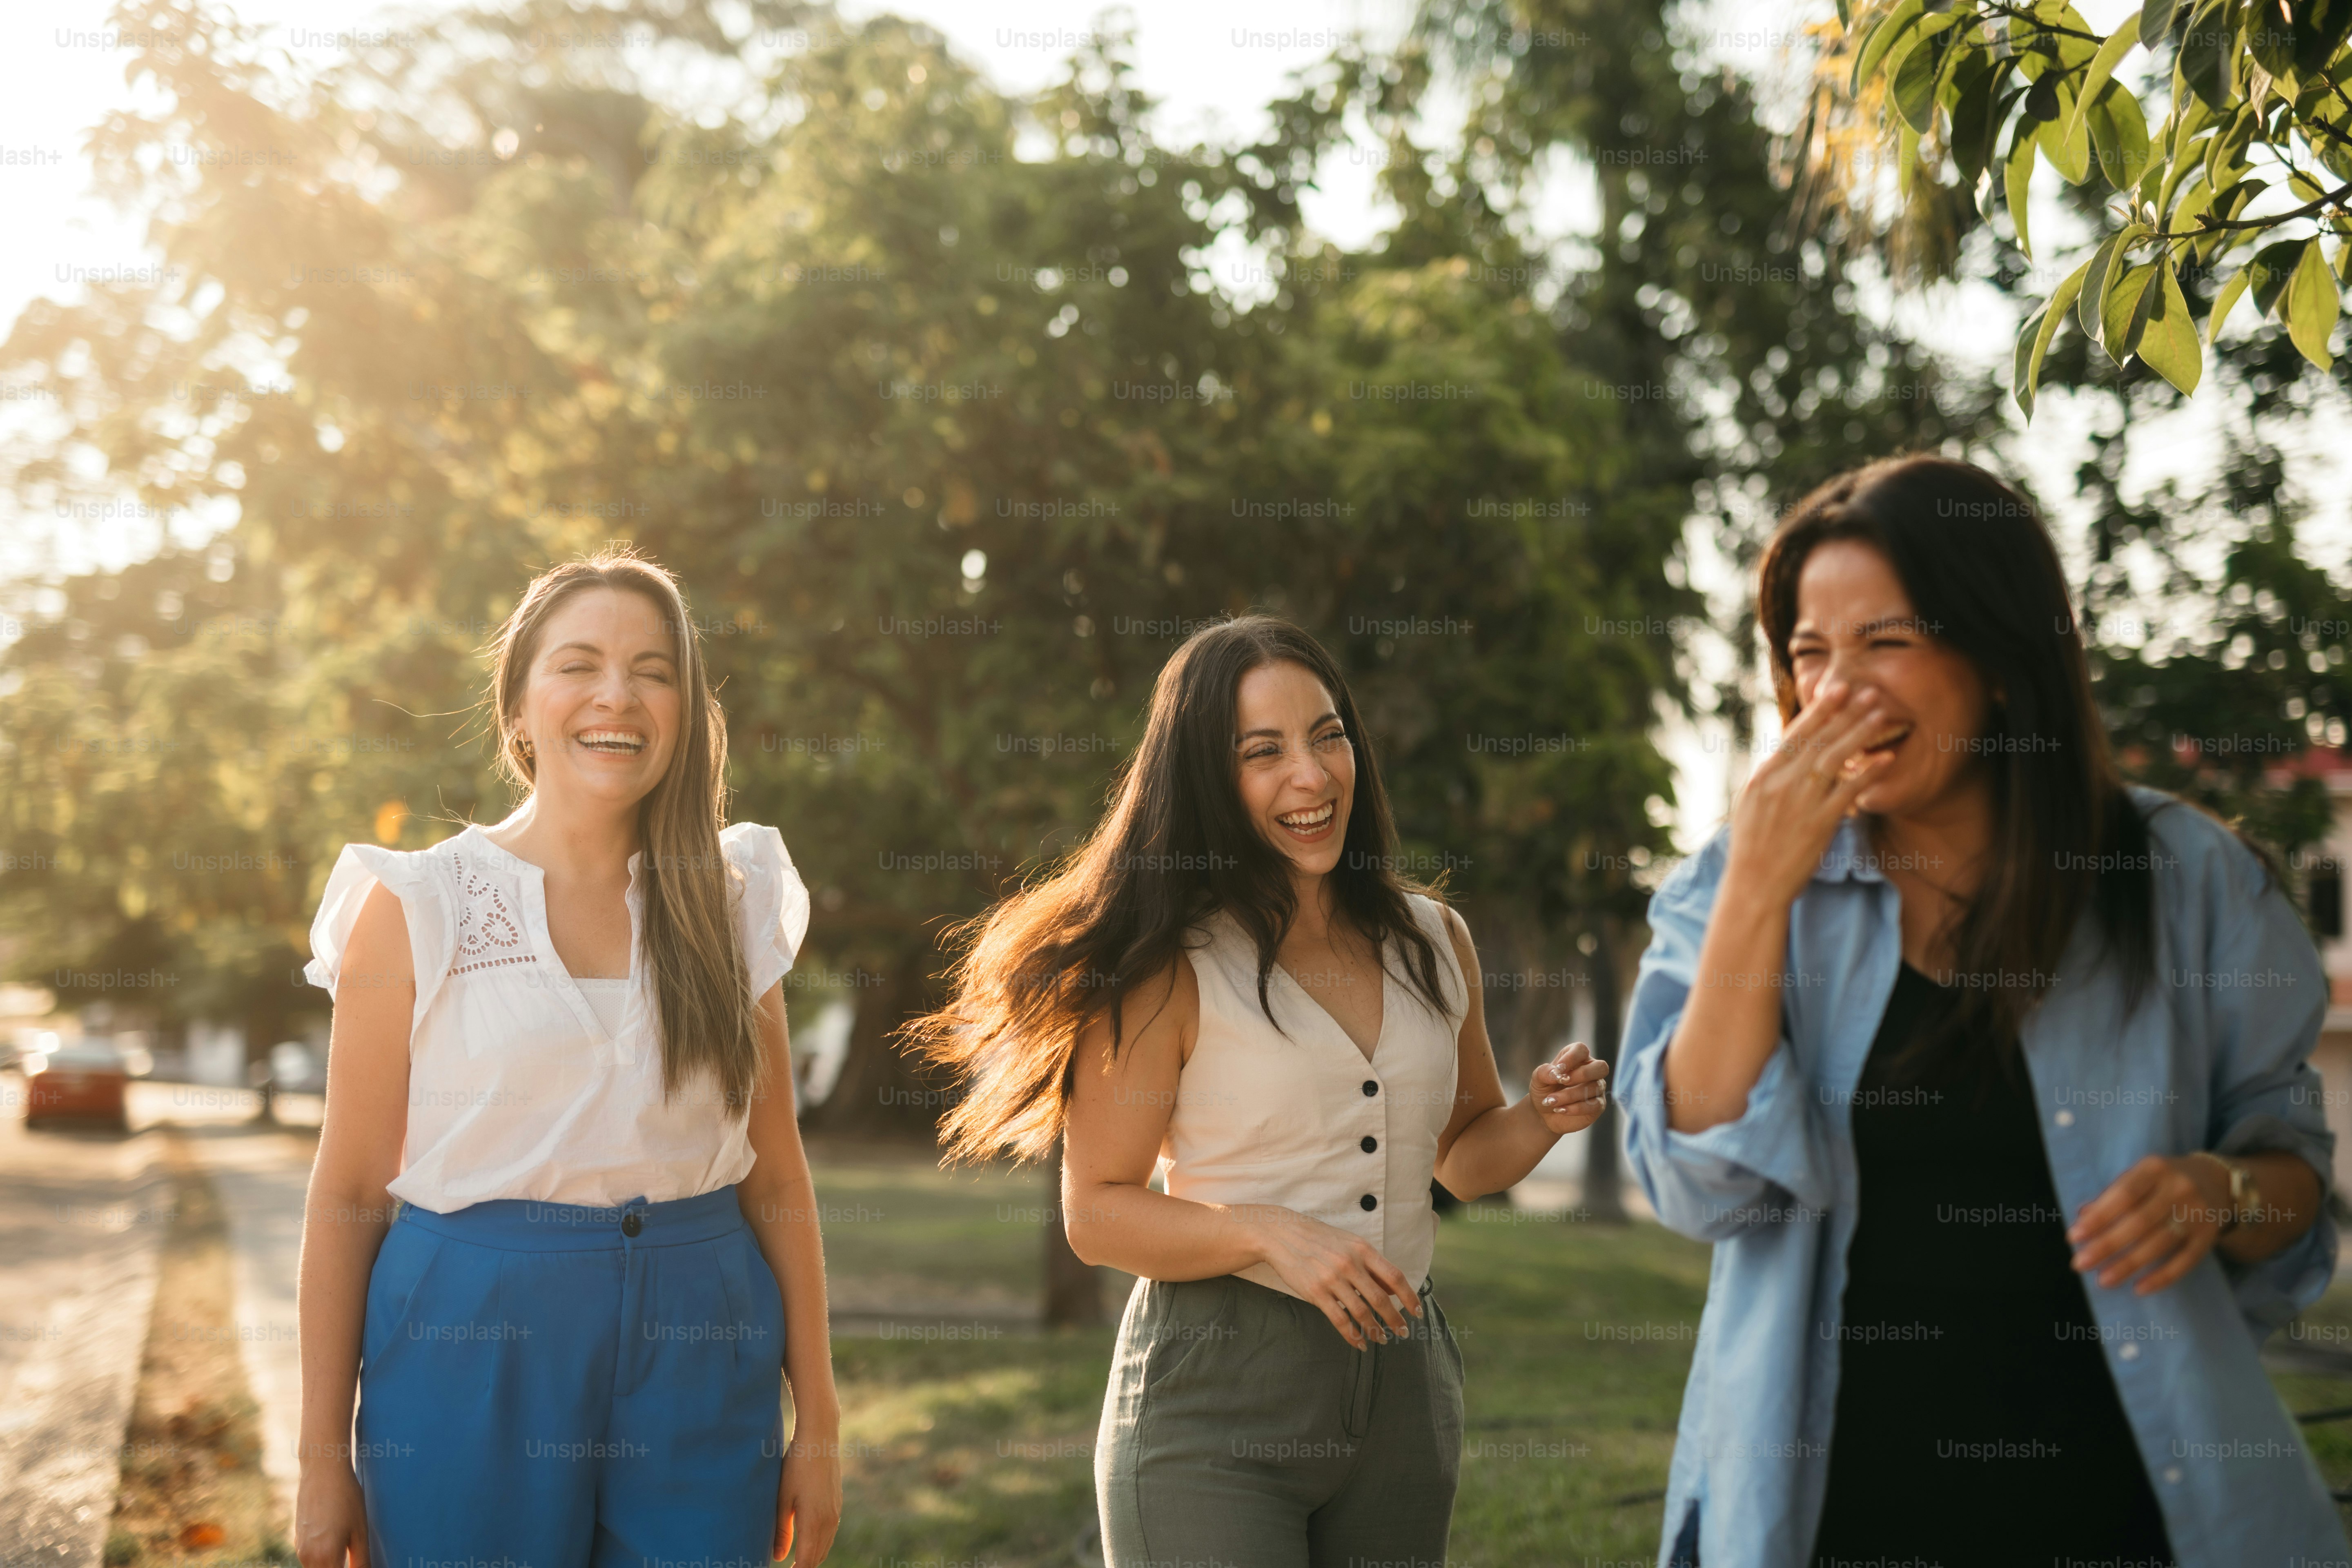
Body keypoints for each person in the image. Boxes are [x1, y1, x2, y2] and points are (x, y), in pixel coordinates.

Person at [1618, 455, 2345, 1568]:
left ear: (2002, 661)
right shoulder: (1738, 889)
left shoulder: (2190, 881)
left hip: (2137, 1515)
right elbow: (1697, 1180)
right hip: (1833, 1522)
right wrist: (1760, 890)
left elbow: (2291, 1179)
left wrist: (2217, 1190)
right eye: (1810, 653)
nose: (1836, 691)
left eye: (1887, 642)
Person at [908, 614, 1611, 1568]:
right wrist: (1266, 1231)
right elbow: (1097, 1214)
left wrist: (1538, 1118)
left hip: (1404, 1393)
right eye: (1263, 752)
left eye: (1328, 736)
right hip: (1212, 1399)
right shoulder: (1168, 965)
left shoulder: (1436, 941)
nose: (1312, 777)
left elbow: (1465, 1156)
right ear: (1209, 777)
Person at [291, 550, 842, 1567]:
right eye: (578, 664)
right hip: (472, 1341)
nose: (617, 696)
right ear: (518, 709)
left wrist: (821, 1424)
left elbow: (778, 1175)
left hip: (702, 1338)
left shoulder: (730, 904)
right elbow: (351, 1186)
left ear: (684, 710)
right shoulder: (415, 905)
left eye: (655, 670)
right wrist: (324, 1454)